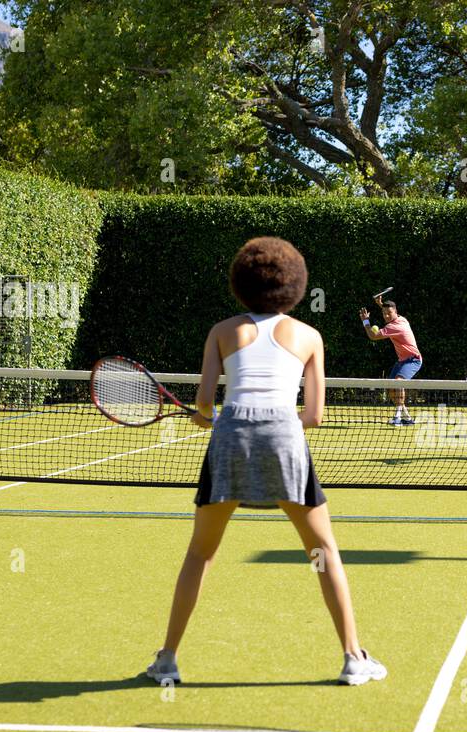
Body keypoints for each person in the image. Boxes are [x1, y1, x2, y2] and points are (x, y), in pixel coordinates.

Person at [147, 237, 386, 687]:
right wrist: (279, 423)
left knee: (201, 552)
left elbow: (204, 410)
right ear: (294, 285)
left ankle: (167, 660)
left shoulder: (221, 331)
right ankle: (354, 658)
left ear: (242, 283)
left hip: (230, 436)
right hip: (285, 436)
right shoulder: (310, 336)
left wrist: (208, 416)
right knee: (321, 552)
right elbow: (313, 416)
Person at [361, 297, 422, 425]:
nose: (386, 316)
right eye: (384, 313)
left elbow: (372, 336)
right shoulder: (401, 318)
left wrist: (365, 321)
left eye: (389, 313)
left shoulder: (395, 326)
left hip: (413, 360)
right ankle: (407, 418)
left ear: (396, 311)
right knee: (391, 388)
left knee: (398, 383)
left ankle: (398, 417)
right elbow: (389, 311)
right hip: (402, 361)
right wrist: (381, 304)